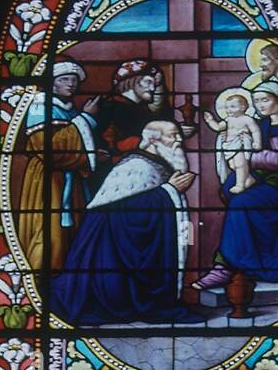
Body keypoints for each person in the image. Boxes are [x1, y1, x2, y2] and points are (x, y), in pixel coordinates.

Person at [50, 120, 195, 324]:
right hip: (111, 253)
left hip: (124, 247)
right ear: (153, 140)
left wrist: (169, 192)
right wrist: (168, 191)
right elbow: (126, 215)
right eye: (172, 135)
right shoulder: (137, 167)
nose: (179, 140)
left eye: (179, 134)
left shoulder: (157, 163)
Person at [192, 78, 278, 293]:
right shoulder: (263, 124)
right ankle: (242, 260)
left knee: (241, 204)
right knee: (231, 189)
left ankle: (225, 266)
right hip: (267, 177)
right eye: (256, 101)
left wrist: (252, 158)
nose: (260, 105)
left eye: (265, 100)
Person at [18, 62, 99, 270]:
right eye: (64, 79)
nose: (71, 84)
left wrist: (93, 156)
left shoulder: (70, 112)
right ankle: (39, 278)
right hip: (48, 181)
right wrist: (87, 118)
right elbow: (48, 149)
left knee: (71, 235)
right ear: (52, 84)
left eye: (74, 80)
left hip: (72, 183)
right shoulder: (40, 108)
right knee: (48, 232)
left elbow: (74, 148)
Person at [88, 60, 174, 165]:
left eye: (154, 84)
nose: (152, 88)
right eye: (148, 82)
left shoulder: (140, 109)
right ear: (132, 81)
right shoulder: (111, 107)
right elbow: (108, 145)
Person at [204, 90, 262, 193]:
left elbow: (255, 130)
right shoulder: (228, 119)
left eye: (232, 107)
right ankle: (248, 178)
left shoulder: (247, 119)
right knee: (233, 166)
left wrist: (257, 142)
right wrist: (210, 121)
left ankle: (240, 185)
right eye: (226, 107)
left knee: (240, 164)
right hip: (229, 146)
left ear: (243, 107)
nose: (228, 110)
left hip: (240, 145)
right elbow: (218, 127)